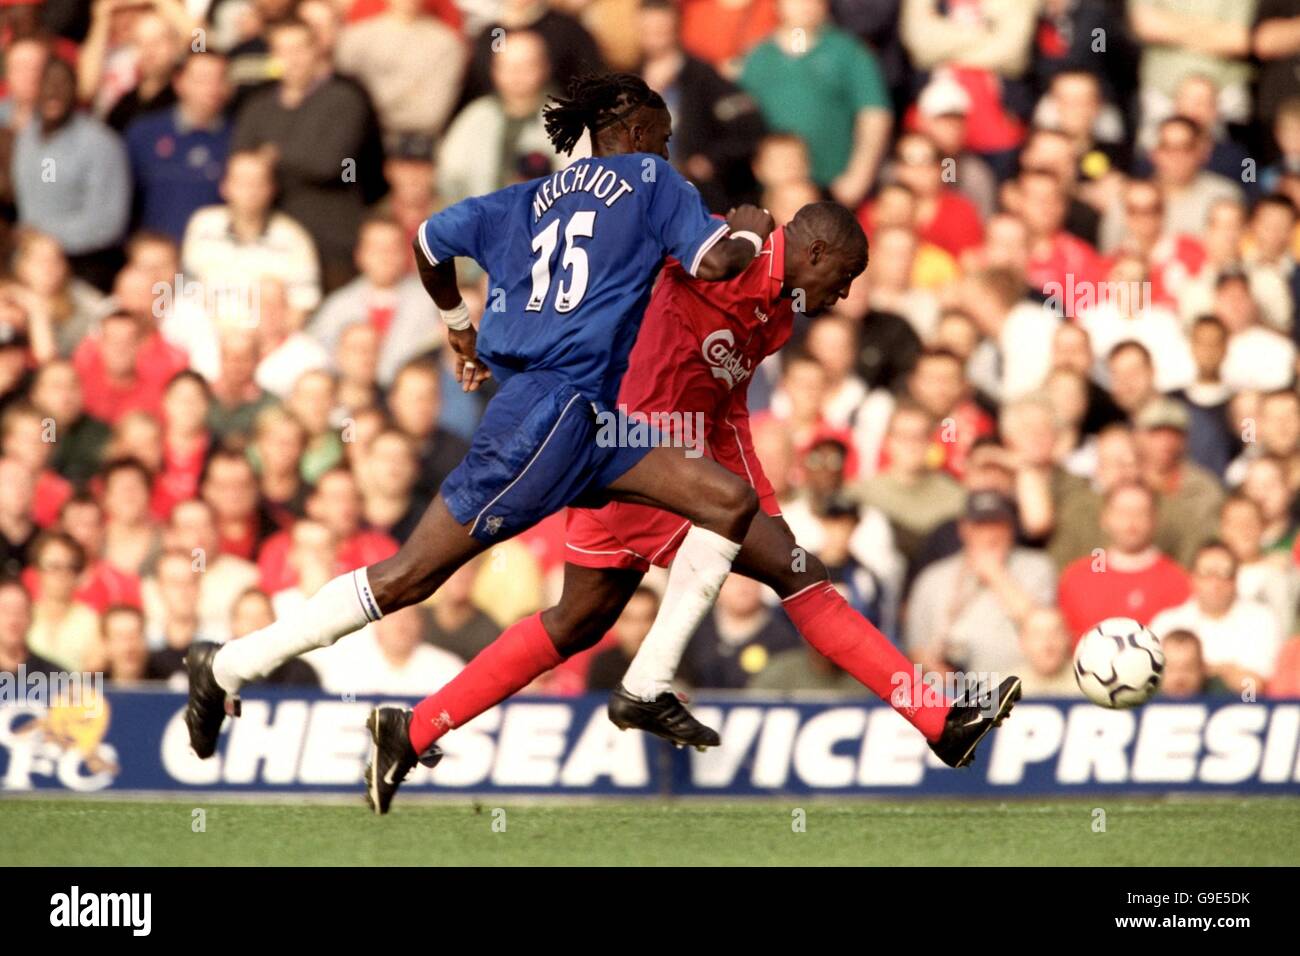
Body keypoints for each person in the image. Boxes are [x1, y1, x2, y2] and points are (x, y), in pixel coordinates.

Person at [184, 72, 776, 815]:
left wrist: (458, 326)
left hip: (585, 417)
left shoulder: (522, 198)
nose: (666, 148)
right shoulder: (653, 178)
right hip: (549, 418)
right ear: (628, 132)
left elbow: (427, 239)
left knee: (728, 500)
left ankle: (647, 684)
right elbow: (718, 261)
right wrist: (751, 225)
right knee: (410, 578)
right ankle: (232, 663)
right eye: (660, 135)